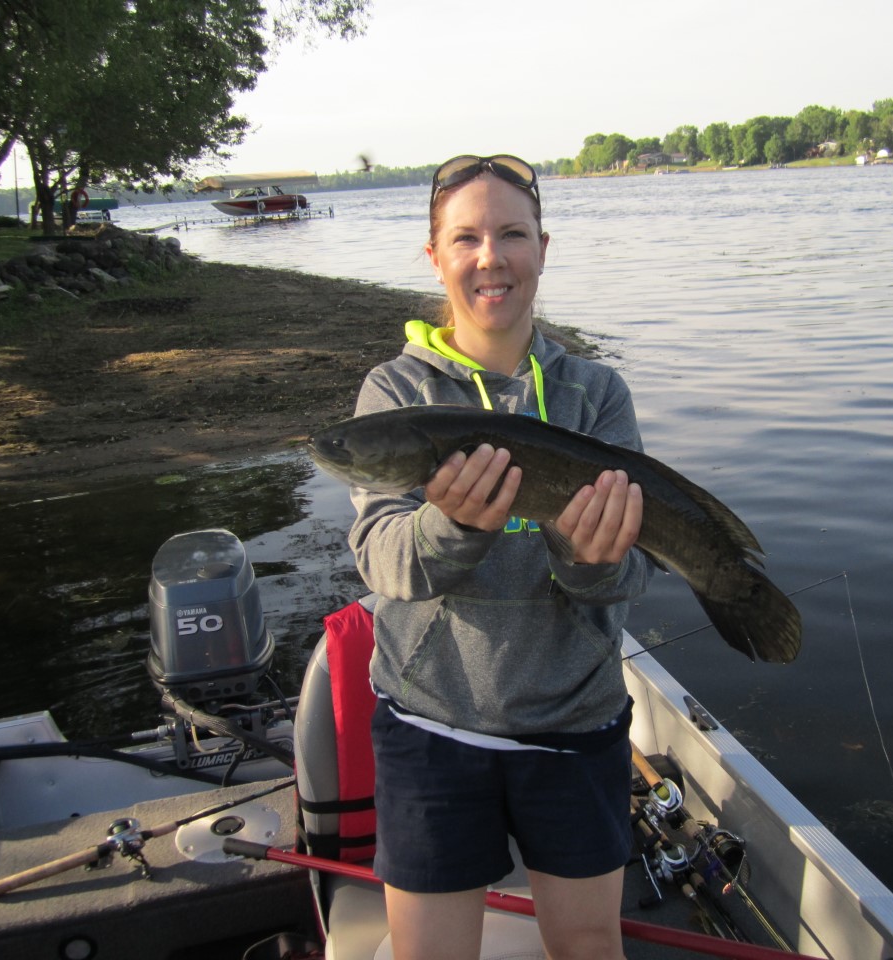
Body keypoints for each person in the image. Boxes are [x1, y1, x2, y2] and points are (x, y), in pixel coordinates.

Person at [347, 154, 651, 960]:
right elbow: (384, 562)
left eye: (512, 234)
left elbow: (629, 574)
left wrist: (589, 560)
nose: (491, 257)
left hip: (575, 722)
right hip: (431, 724)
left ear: (543, 249)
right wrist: (453, 528)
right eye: (467, 237)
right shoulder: (394, 393)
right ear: (436, 256)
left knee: (589, 943)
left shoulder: (597, 395)